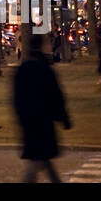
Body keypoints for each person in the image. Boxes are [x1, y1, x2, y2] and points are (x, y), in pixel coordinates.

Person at [13, 33, 71, 181]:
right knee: (39, 159)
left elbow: (16, 98)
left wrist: (20, 118)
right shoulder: (44, 68)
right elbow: (56, 96)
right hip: (43, 122)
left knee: (41, 159)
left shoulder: (23, 69)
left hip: (29, 122)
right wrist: (63, 118)